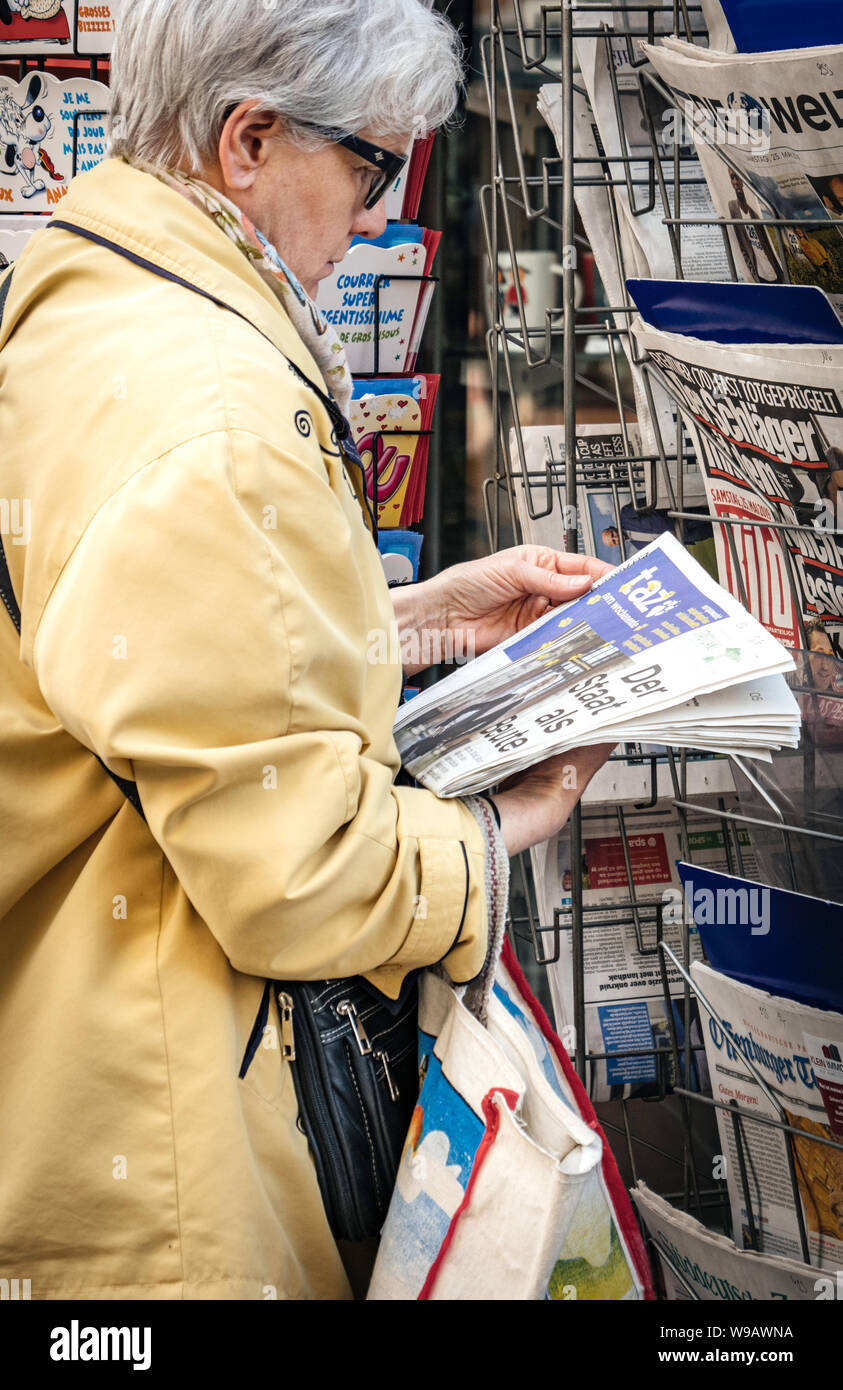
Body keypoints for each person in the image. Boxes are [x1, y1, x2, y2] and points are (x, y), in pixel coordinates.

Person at [0, 0, 615, 1301]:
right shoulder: (215, 409)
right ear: (249, 143)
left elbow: (136, 654)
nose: (378, 218)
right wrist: (506, 824)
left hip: (82, 1053)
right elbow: (294, 870)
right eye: (368, 166)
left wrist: (423, 616)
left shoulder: (91, 299)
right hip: (171, 1136)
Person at [726, 169, 784, 284]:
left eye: (738, 177)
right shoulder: (732, 208)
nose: (736, 182)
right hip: (758, 276)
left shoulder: (755, 213)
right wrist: (753, 273)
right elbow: (742, 247)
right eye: (732, 178)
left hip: (775, 272)